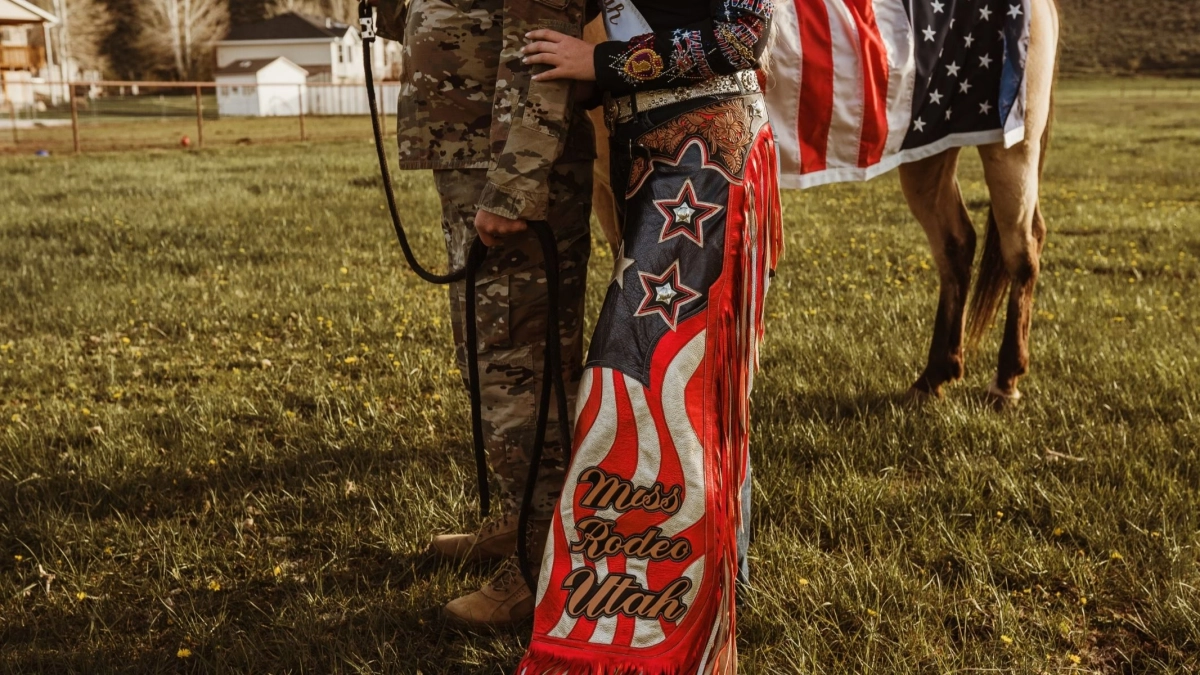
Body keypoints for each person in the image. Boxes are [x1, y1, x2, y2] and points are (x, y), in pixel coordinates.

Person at [516, 0, 780, 672]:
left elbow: (746, 33)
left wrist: (600, 62)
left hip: (706, 160)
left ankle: (688, 595)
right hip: (655, 159)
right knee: (690, 381)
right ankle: (718, 574)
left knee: (663, 375)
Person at [371, 0, 594, 626]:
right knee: (490, 361)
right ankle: (519, 519)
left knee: (525, 373)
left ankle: (542, 564)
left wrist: (517, 183)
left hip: (514, 172)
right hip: (470, 161)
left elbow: (544, 46)